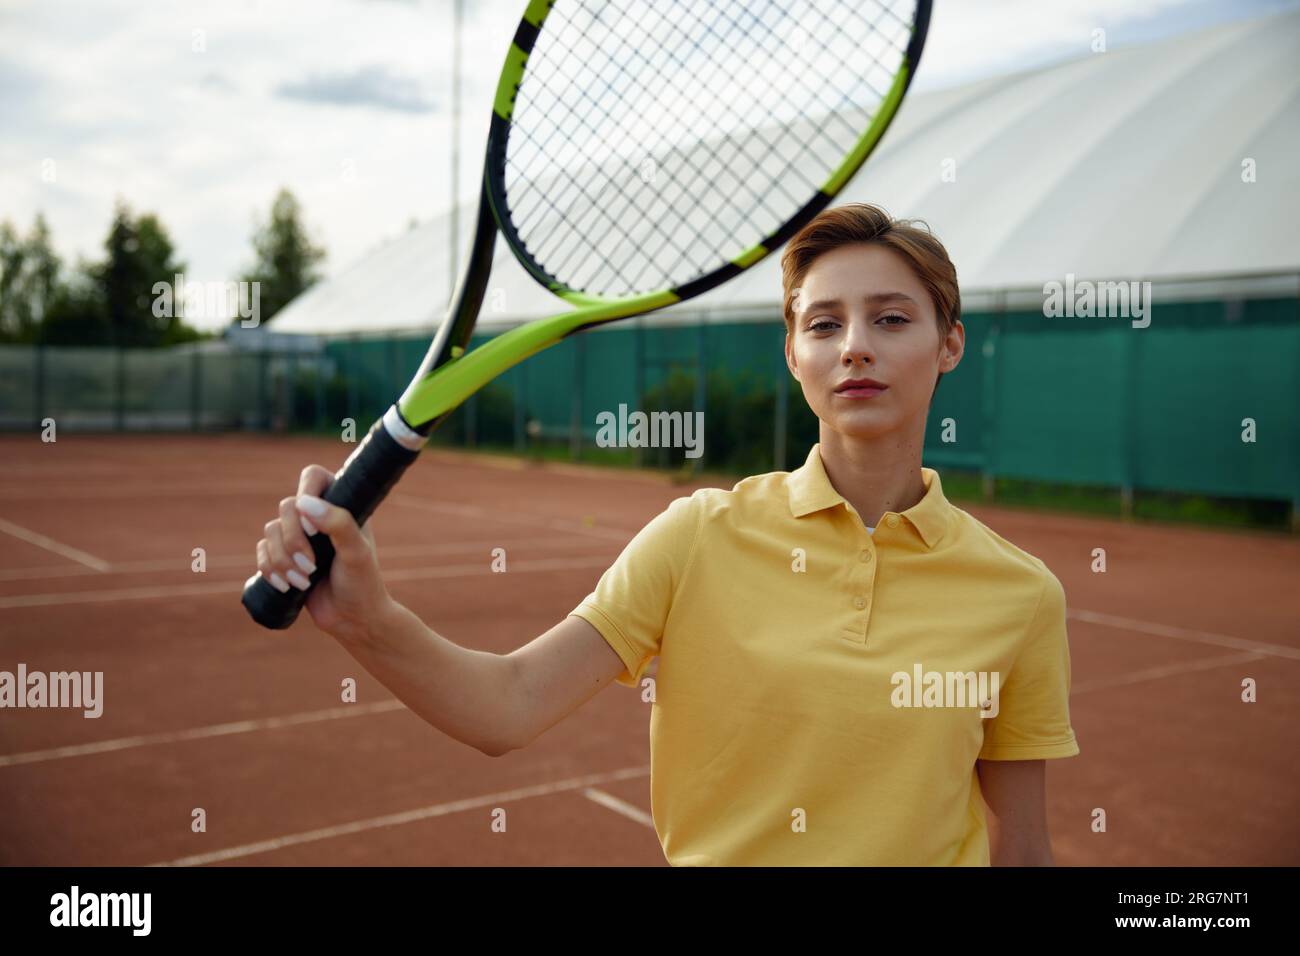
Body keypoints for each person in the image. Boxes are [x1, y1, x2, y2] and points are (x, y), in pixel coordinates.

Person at [255, 203, 1079, 866]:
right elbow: (506, 707)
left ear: (950, 344)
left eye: (892, 319)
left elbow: (1023, 850)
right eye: (824, 325)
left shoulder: (1019, 594)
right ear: (793, 353)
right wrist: (366, 619)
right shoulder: (697, 535)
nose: (855, 346)